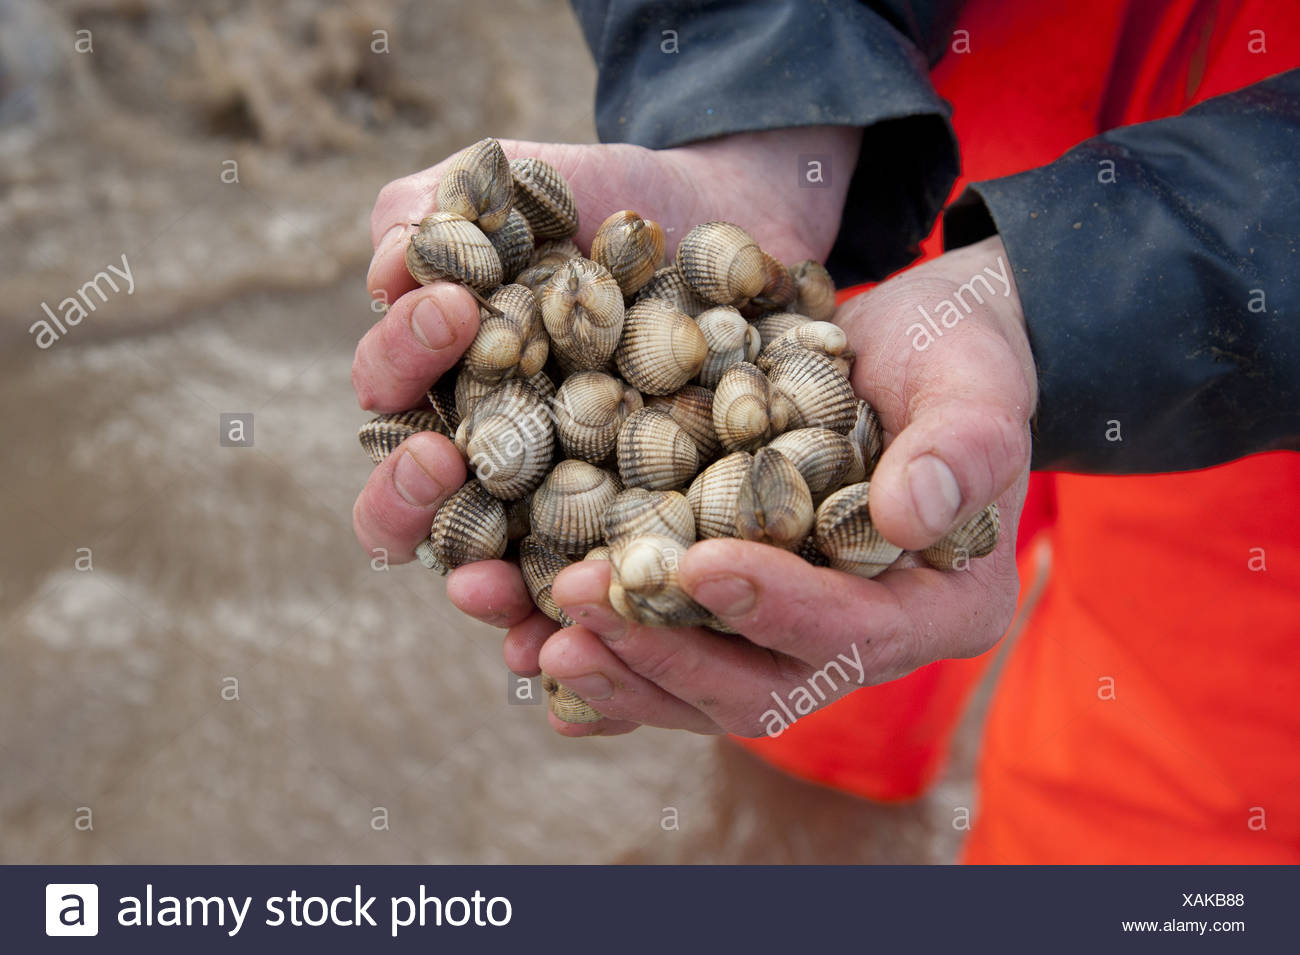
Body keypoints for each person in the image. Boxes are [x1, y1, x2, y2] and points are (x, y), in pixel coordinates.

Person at [353, 0, 1299, 862]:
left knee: (1179, 791)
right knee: (812, 641)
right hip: (924, 102)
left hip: (1269, 266)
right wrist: (757, 98)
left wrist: (1043, 298)